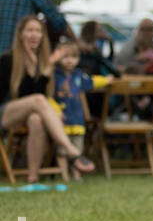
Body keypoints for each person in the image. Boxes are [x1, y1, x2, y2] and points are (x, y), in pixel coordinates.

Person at [0, 15, 96, 184]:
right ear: (21, 34)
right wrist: (45, 69)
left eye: (38, 31)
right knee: (37, 100)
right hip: (5, 112)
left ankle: (33, 178)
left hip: (32, 112)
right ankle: (72, 152)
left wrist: (46, 66)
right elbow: (27, 95)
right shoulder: (8, 59)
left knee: (37, 119)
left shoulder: (44, 61)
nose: (34, 35)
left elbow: (44, 96)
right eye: (29, 30)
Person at [52, 42, 113, 180]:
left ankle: (76, 174)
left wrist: (106, 80)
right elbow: (48, 97)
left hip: (77, 119)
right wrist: (56, 111)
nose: (69, 60)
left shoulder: (78, 75)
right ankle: (64, 176)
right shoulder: (54, 76)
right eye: (65, 56)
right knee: (62, 151)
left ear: (78, 59)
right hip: (62, 121)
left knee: (77, 150)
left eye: (73, 57)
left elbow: (92, 82)